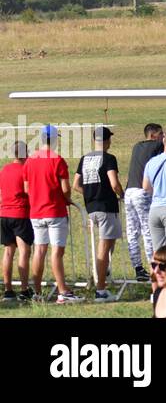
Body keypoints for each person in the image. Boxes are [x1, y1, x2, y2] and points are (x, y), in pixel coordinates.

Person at [25, 125, 78, 303]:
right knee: (57, 253)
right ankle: (63, 291)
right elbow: (65, 188)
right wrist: (67, 198)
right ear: (55, 139)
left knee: (39, 251)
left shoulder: (30, 160)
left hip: (36, 212)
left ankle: (37, 292)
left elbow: (26, 188)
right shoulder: (57, 159)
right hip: (54, 210)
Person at [73, 126, 123, 302]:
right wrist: (122, 194)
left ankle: (105, 271)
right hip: (107, 207)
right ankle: (101, 289)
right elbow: (114, 183)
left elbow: (76, 184)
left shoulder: (85, 158)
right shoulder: (109, 158)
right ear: (108, 140)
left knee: (109, 242)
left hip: (91, 208)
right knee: (104, 247)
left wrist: (89, 195)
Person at [124, 124, 163, 282]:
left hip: (130, 191)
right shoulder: (157, 145)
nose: (162, 137)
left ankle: (138, 267)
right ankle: (153, 266)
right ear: (154, 135)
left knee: (132, 231)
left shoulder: (137, 146)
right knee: (148, 230)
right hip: (142, 191)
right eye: (161, 134)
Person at [0, 141, 33, 302]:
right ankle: (25, 289)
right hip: (20, 213)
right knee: (24, 251)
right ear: (24, 153)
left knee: (8, 252)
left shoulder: (4, 170)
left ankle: (8, 290)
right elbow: (29, 191)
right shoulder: (25, 170)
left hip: (4, 213)